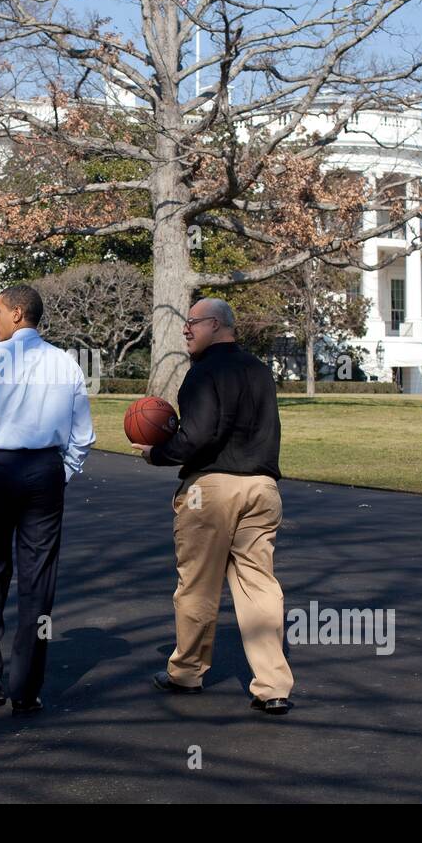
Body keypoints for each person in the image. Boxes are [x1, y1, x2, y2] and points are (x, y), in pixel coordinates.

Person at [133, 298, 293, 715]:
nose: (186, 329)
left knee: (198, 585)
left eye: (193, 323)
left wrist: (156, 453)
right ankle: (273, 685)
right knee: (259, 585)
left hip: (212, 490)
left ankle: (186, 672)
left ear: (218, 325)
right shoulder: (260, 371)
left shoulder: (202, 373)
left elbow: (198, 437)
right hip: (262, 487)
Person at [0, 285, 95, 716]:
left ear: (18, 314)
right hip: (45, 474)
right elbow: (83, 435)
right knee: (38, 581)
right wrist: (63, 472)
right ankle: (26, 686)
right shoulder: (66, 363)